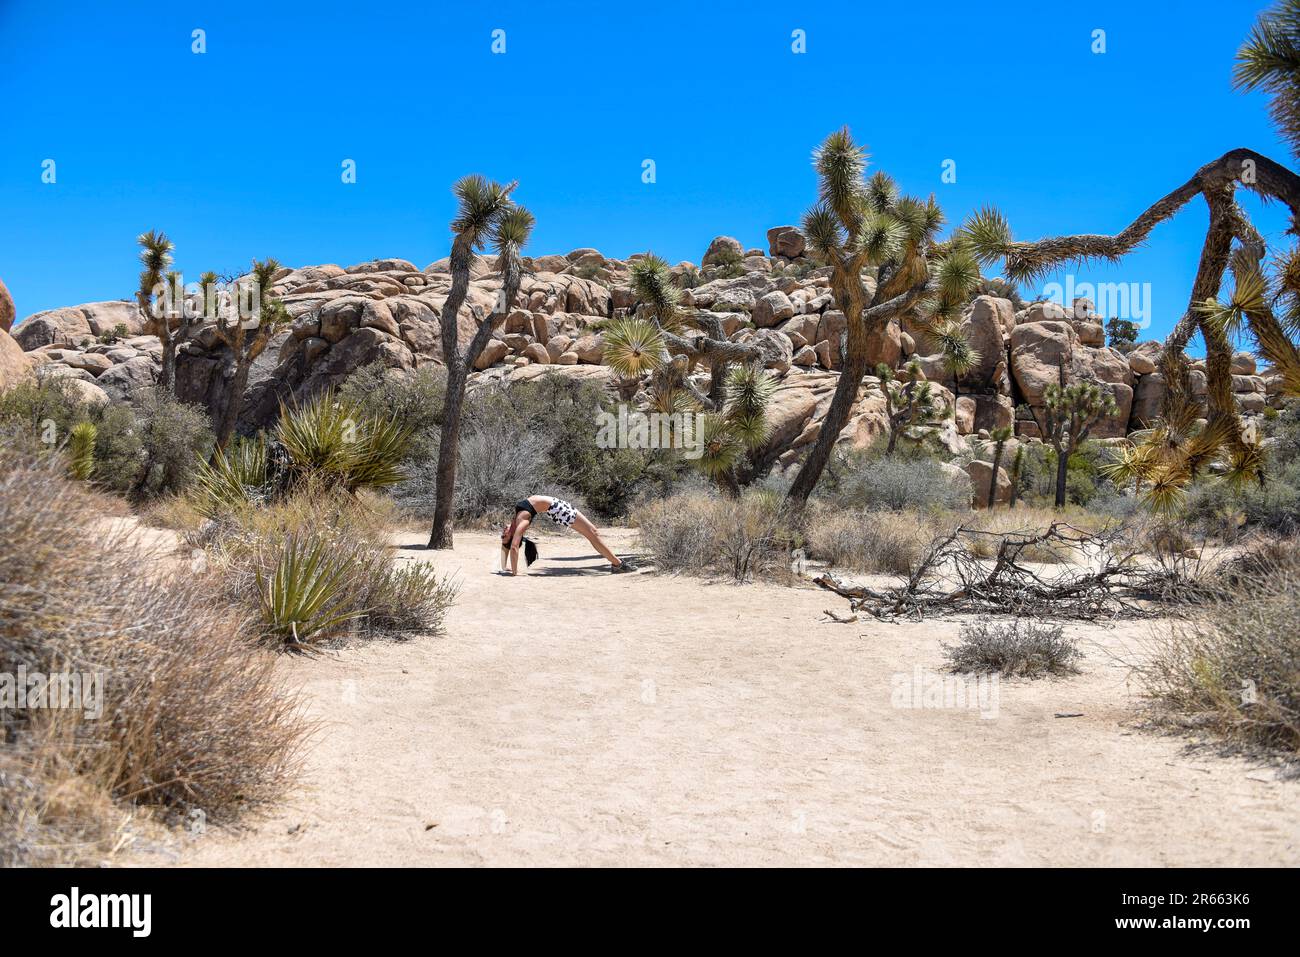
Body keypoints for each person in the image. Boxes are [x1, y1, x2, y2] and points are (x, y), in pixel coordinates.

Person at [500, 495, 630, 575]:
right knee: (592, 532)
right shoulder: (522, 522)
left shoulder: (515, 520)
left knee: (592, 532)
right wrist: (514, 572)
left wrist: (504, 566)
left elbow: (506, 547)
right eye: (504, 535)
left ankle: (616, 563)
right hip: (557, 510)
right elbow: (513, 547)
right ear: (511, 536)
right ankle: (618, 564)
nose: (502, 532)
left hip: (557, 507)